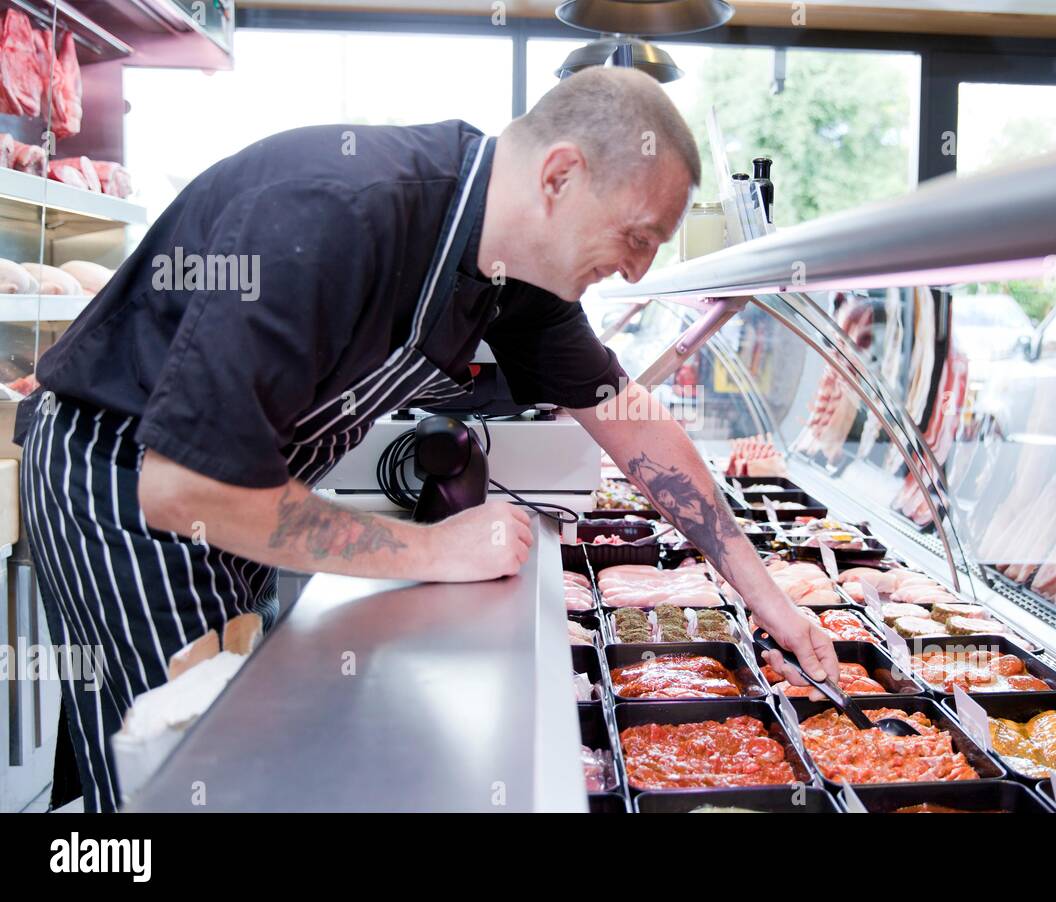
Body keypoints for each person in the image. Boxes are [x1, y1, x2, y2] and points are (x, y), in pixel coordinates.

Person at [15, 67, 838, 811]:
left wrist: (771, 602)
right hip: (123, 487)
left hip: (236, 493)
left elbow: (631, 426)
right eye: (637, 239)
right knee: (186, 774)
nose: (635, 273)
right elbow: (183, 488)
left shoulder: (517, 278)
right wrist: (434, 550)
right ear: (560, 176)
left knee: (234, 742)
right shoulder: (337, 213)